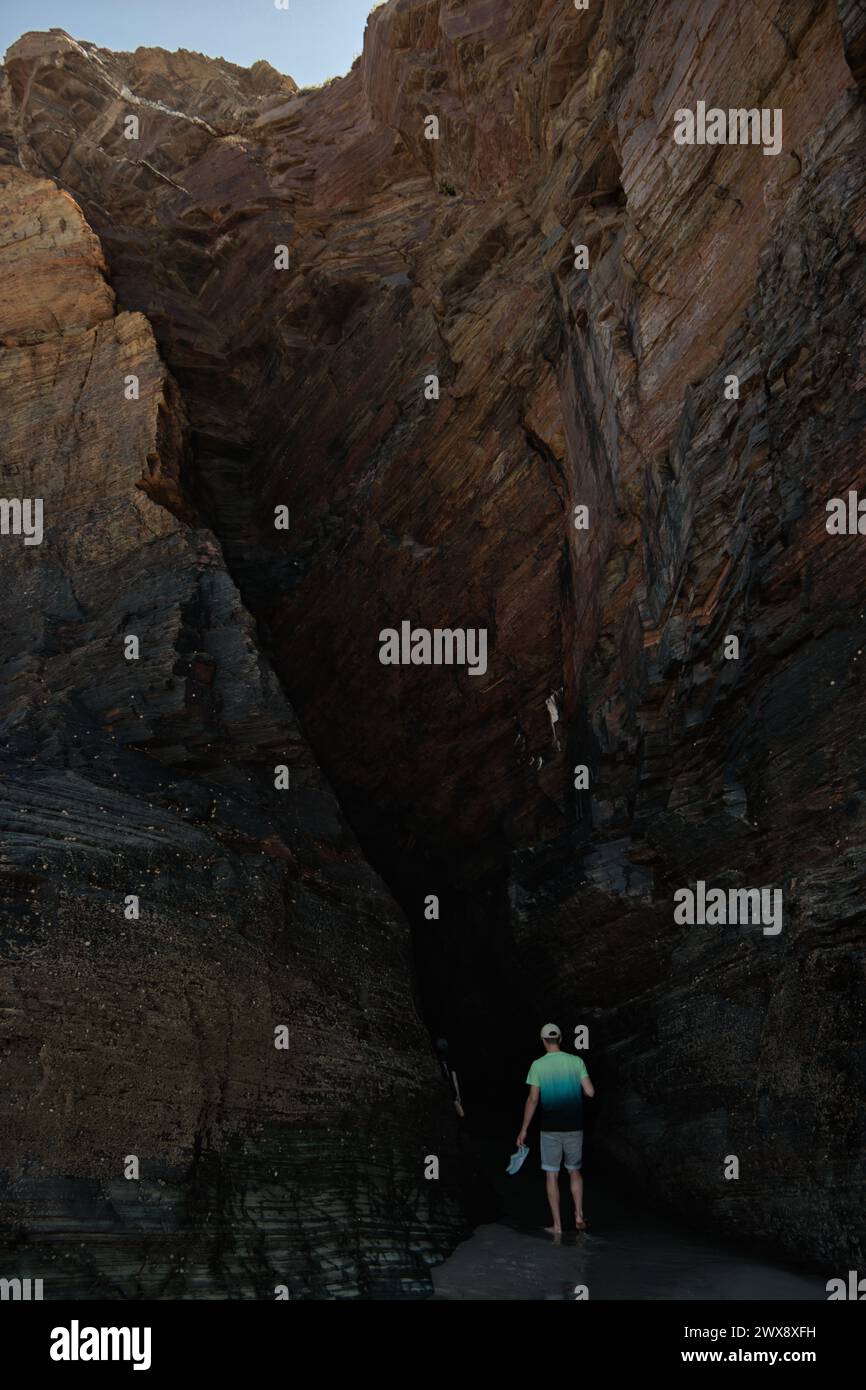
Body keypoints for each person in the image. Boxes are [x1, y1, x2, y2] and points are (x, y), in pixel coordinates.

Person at [516, 1023, 594, 1234]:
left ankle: (558, 1226)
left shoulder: (538, 1065)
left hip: (550, 1128)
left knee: (552, 1174)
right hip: (574, 1126)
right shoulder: (576, 1061)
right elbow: (590, 1092)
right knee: (574, 1170)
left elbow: (533, 1099)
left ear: (543, 1041)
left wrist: (524, 1129)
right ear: (560, 1039)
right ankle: (578, 1215)